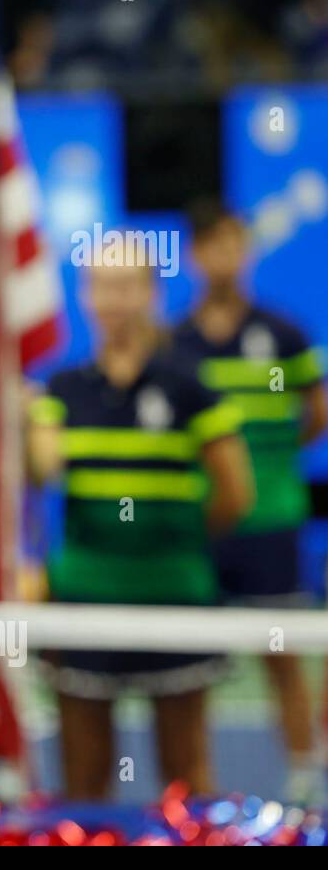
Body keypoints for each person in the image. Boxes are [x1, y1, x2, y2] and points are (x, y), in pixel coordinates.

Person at [28, 251, 253, 801]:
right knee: (84, 785)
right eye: (102, 286)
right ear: (86, 297)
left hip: (175, 602)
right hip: (83, 605)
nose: (115, 300)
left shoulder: (189, 387)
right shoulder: (61, 389)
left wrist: (174, 543)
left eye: (128, 286)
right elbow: (40, 472)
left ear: (151, 294)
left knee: (187, 781)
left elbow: (235, 496)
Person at [171, 199, 328, 805]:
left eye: (234, 245)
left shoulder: (283, 334)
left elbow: (316, 414)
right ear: (194, 256)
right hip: (202, 528)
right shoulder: (177, 343)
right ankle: (198, 792)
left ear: (247, 253)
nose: (223, 257)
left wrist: (267, 462)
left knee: (282, 655)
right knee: (194, 670)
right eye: (212, 246)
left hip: (273, 526)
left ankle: (304, 775)